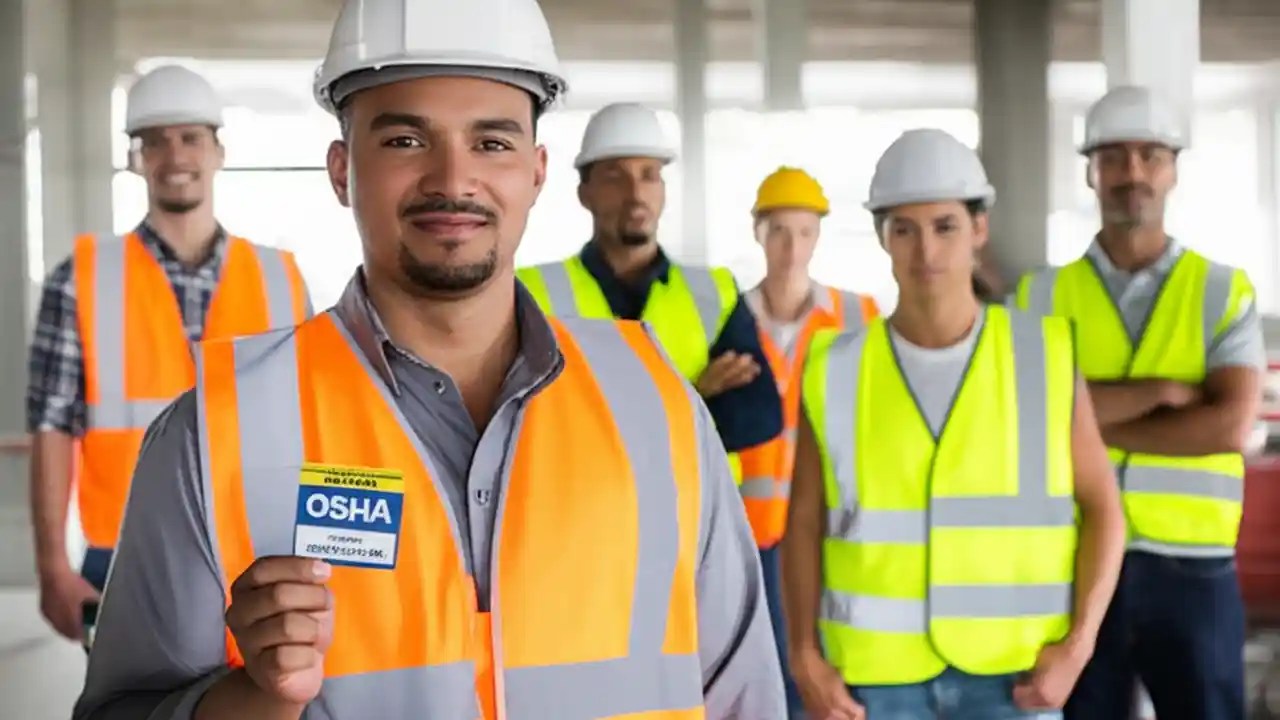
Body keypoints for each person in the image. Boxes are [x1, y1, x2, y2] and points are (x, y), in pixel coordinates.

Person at [73, 1, 784, 718]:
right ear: (343, 170)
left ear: (537, 172)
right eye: (408, 139)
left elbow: (743, 694)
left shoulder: (654, 406)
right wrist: (251, 697)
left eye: (492, 143)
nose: (452, 179)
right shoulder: (214, 432)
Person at [782, 128, 1128, 720]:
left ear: (978, 230)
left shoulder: (1041, 357)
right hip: (871, 684)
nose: (926, 252)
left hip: (1012, 679)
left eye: (944, 226)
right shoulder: (835, 368)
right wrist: (802, 656)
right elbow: (804, 524)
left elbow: (1104, 508)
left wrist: (1078, 646)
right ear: (882, 239)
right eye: (904, 230)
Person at [26, 64, 310, 650]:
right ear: (135, 160)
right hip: (123, 549)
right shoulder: (79, 278)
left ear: (218, 152)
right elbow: (50, 427)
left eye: (190, 137)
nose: (173, 155)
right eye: (153, 141)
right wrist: (53, 564)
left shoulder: (280, 278)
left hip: (256, 542)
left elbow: (315, 419)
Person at [1014, 85, 1264, 720]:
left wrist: (1084, 422)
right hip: (1076, 563)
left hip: (1194, 569)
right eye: (1115, 157)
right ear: (1090, 171)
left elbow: (1231, 425)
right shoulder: (1039, 296)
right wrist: (1161, 394)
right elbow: (1025, 416)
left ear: (1173, 170)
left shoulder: (1221, 291)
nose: (1132, 174)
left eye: (1150, 156)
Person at [516, 103, 784, 477]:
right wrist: (694, 396)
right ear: (585, 193)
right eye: (615, 176)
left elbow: (760, 416)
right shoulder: (532, 293)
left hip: (694, 522)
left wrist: (610, 424)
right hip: (581, 520)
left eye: (649, 175)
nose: (635, 192)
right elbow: (528, 427)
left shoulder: (714, 292)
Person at [736, 166, 879, 717]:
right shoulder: (730, 316)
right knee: (764, 678)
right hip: (748, 533)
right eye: (777, 231)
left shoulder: (856, 316)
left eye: (803, 232)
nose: (791, 247)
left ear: (818, 236)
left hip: (830, 526)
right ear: (757, 232)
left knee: (830, 678)